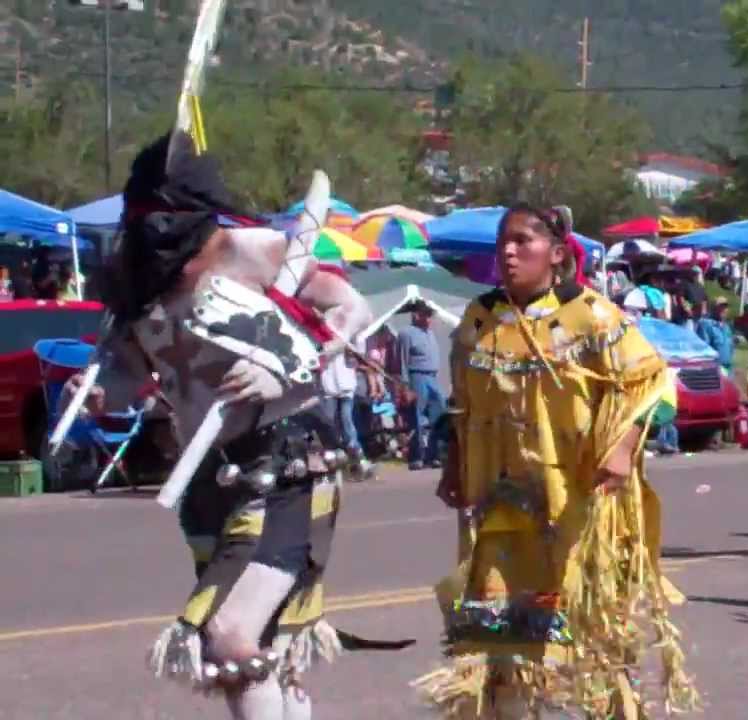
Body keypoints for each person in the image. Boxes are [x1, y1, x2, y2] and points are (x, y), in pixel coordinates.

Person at [63, 133, 388, 719]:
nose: (159, 229)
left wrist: (289, 369)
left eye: (169, 214)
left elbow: (350, 310)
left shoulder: (252, 249)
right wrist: (98, 394)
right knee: (260, 651)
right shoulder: (135, 287)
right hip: (207, 475)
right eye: (147, 215)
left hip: (286, 459)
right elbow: (131, 373)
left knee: (231, 637)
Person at [418, 204, 698, 718]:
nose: (508, 251)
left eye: (523, 240)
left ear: (556, 253)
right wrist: (453, 462)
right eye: (503, 241)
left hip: (578, 510)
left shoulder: (591, 316)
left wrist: (621, 445)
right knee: (497, 638)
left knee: (589, 638)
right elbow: (461, 404)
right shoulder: (479, 319)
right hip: (500, 506)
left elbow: (656, 387)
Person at [398, 300, 445, 470]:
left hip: (432, 376)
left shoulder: (430, 333)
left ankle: (435, 455)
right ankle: (416, 456)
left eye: (430, 316)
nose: (429, 320)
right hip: (416, 376)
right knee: (416, 418)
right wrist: (405, 386)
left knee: (439, 415)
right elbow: (402, 361)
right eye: (426, 315)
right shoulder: (406, 333)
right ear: (416, 315)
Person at [696, 296, 736, 374]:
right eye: (720, 307)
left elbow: (731, 347)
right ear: (713, 309)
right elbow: (703, 349)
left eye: (725, 307)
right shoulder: (706, 325)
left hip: (728, 369)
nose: (723, 310)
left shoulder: (727, 327)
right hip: (714, 370)